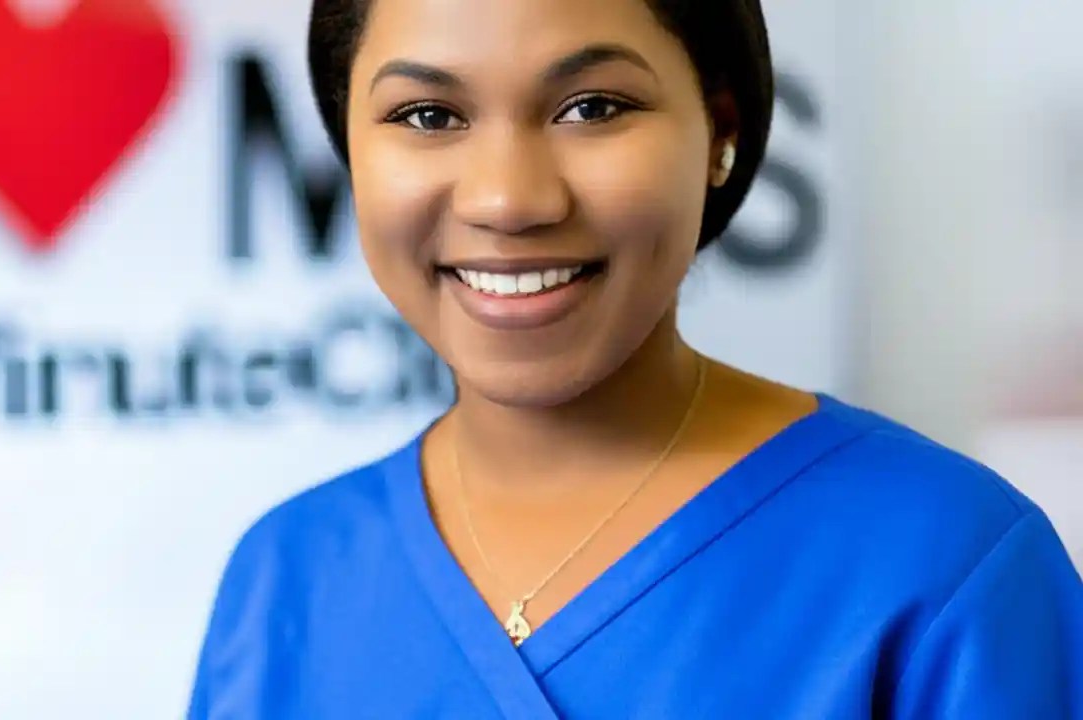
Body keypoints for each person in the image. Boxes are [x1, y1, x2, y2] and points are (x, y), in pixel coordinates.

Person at [187, 0, 1083, 716]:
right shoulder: (286, 578)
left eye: (594, 107)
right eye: (427, 115)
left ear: (719, 132)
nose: (508, 198)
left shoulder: (946, 562)